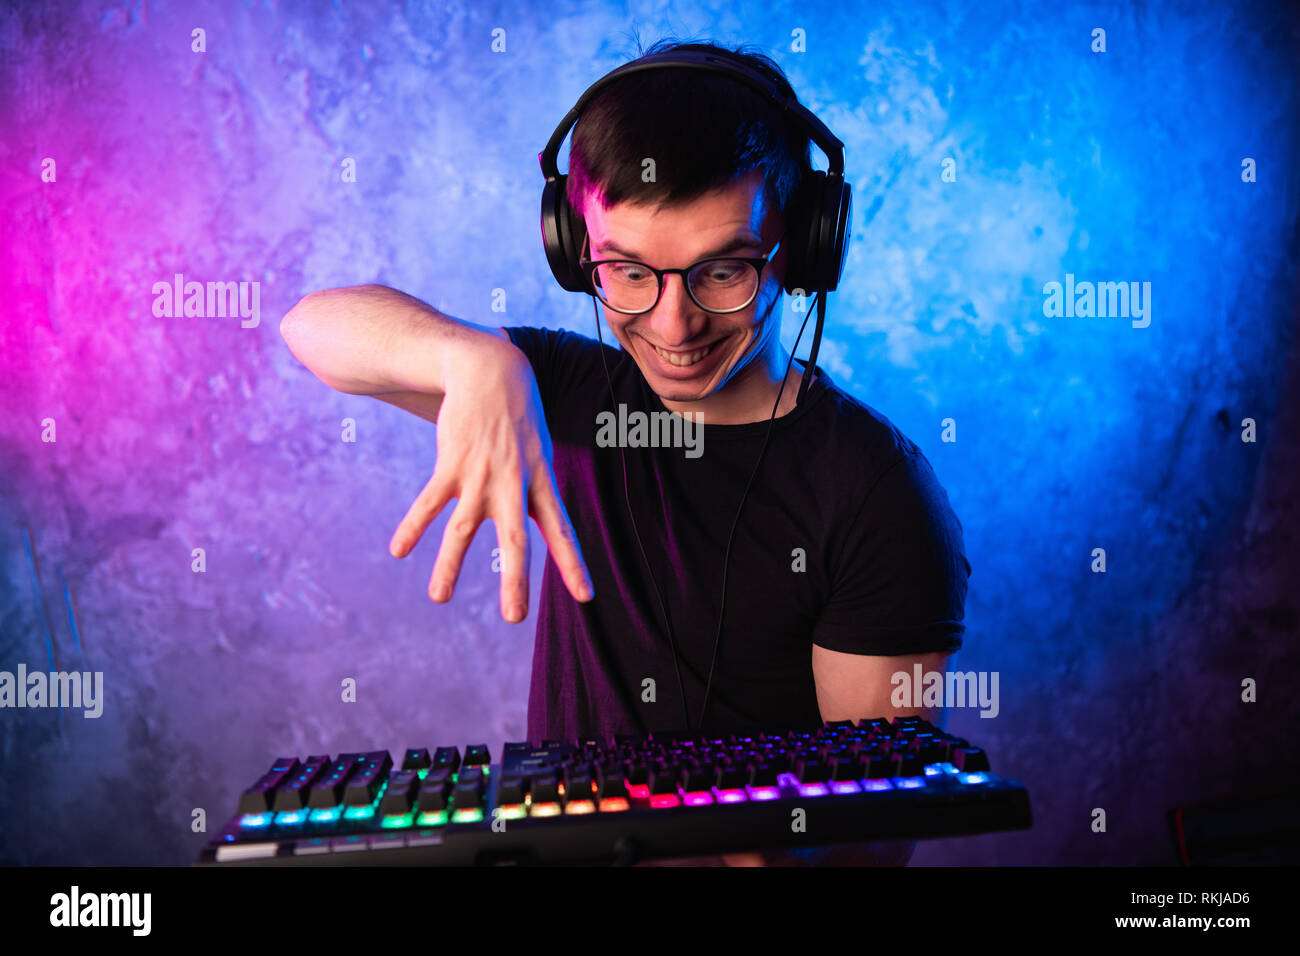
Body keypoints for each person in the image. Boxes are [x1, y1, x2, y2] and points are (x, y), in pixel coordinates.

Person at [279, 39, 970, 865]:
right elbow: (313, 327)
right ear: (577, 252)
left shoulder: (880, 495)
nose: (673, 326)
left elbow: (872, 841)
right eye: (628, 271)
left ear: (806, 245)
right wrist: (474, 360)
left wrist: (751, 851)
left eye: (724, 271)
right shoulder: (559, 393)